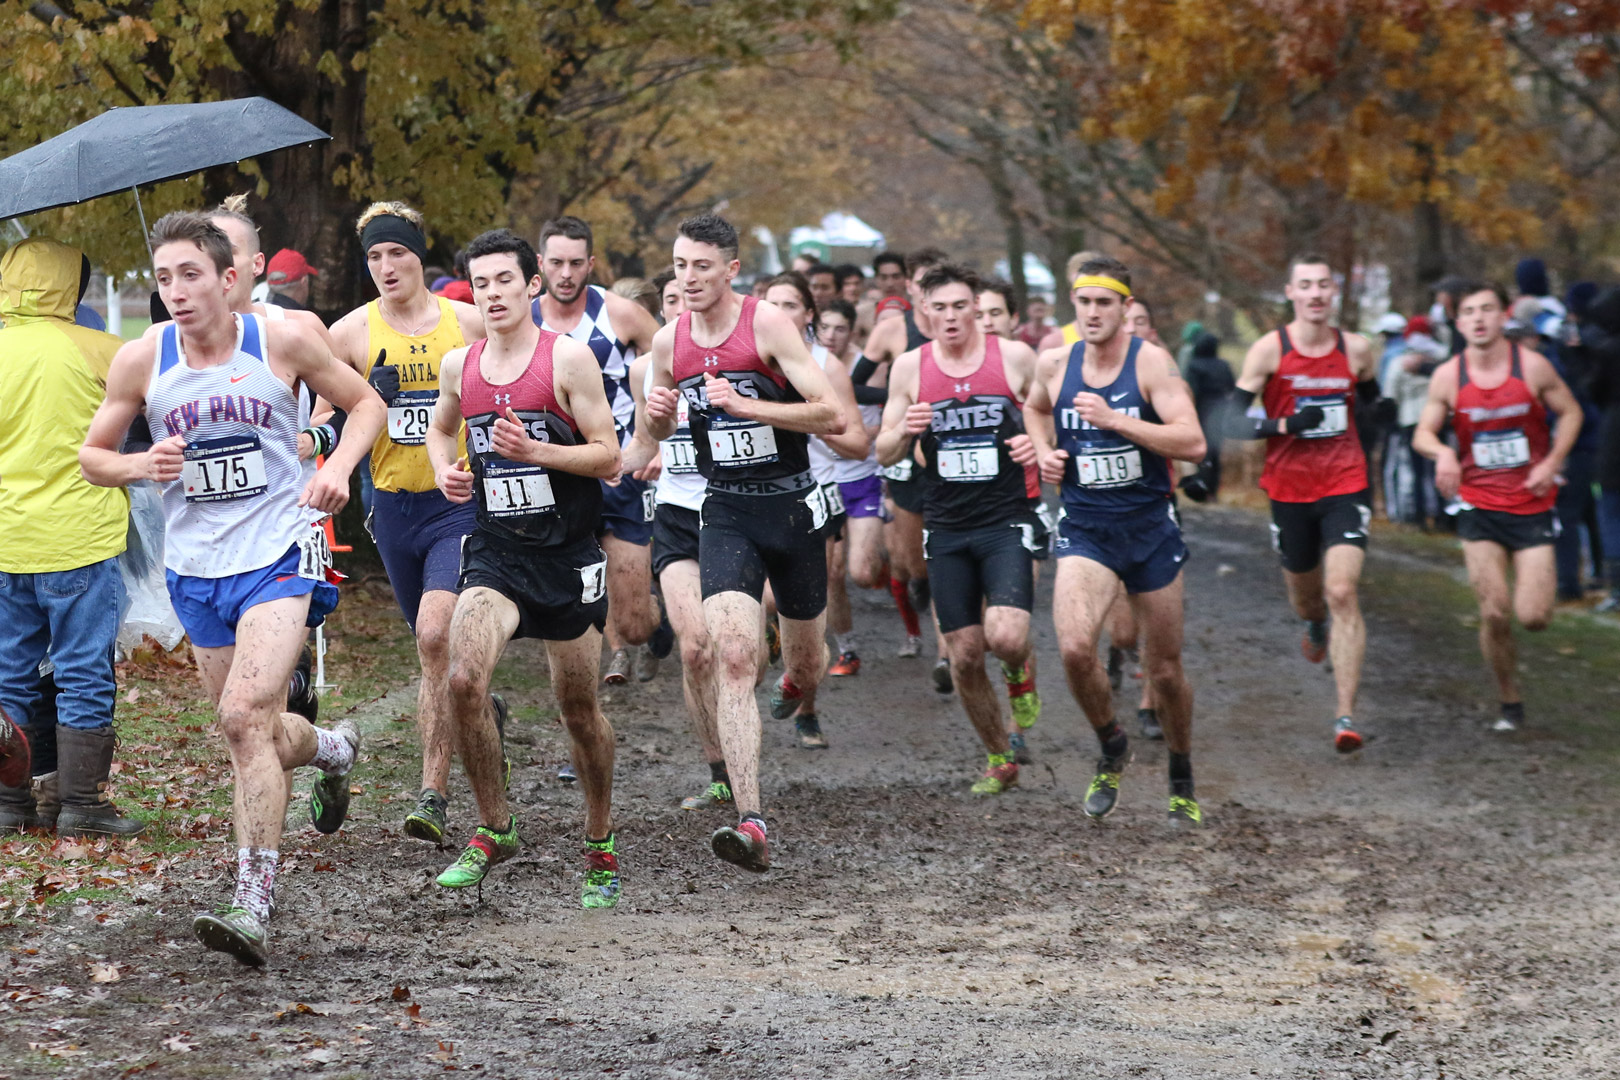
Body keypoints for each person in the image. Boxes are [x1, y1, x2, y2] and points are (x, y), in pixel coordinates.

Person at [80, 211, 385, 965]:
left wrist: (336, 469)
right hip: (195, 570)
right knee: (252, 730)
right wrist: (137, 468)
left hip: (280, 553)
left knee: (244, 714)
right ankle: (335, 751)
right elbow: (93, 456)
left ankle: (252, 898)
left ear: (228, 277)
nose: (176, 291)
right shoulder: (143, 358)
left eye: (190, 275)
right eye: (163, 278)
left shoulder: (280, 339)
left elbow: (366, 405)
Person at [642, 213, 846, 872]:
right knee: (733, 655)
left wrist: (751, 406)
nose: (689, 278)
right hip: (725, 508)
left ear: (731, 270)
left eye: (703, 265)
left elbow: (831, 414)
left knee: (806, 665)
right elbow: (649, 443)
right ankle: (750, 818)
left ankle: (799, 678)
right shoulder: (668, 343)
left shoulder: (766, 325)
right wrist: (656, 423)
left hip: (790, 509)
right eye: (680, 266)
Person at [425, 228, 624, 902]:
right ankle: (494, 828)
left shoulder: (567, 360)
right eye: (480, 284)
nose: (493, 294)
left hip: (566, 557)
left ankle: (599, 842)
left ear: (532, 283)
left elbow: (609, 456)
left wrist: (539, 453)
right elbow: (438, 425)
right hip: (498, 552)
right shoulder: (462, 365)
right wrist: (445, 472)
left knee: (578, 708)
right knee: (461, 679)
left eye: (504, 280)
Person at [326, 201, 487, 843]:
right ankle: (478, 713)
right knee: (437, 655)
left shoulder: (468, 323)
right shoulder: (349, 335)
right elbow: (320, 420)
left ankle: (432, 795)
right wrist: (361, 407)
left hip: (460, 503)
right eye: (374, 256)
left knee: (432, 637)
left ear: (421, 254)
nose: (386, 266)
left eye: (397, 252)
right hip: (392, 509)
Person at [1025, 256, 1207, 826]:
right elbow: (1032, 409)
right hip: (1086, 528)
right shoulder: (1055, 363)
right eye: (1084, 302)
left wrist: (1117, 421)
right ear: (1073, 306)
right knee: (1077, 649)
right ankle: (1111, 744)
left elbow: (1193, 442)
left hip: (1150, 529)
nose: (1094, 312)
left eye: (1106, 302)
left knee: (1167, 671)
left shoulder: (1151, 364)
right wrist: (1047, 450)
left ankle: (1181, 773)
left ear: (1126, 308)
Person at [875, 263, 1043, 796]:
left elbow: (1048, 418)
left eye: (959, 306)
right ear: (923, 312)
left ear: (977, 309)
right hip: (945, 525)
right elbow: (881, 450)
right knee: (965, 654)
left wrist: (1034, 444)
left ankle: (1019, 673)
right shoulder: (909, 368)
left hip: (1005, 518)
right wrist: (905, 429)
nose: (949, 317)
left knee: (1007, 635)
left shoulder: (1013, 358)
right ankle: (999, 756)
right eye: (938, 307)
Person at [0, 238, 138, 836]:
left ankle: (8, 806)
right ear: (72, 287)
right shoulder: (103, 350)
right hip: (80, 538)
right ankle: (82, 805)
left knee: (8, 672)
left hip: (7, 540)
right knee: (83, 669)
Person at [1232, 255, 1386, 753]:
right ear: (1291, 293)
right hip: (1288, 487)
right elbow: (1230, 424)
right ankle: (1313, 623)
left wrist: (1383, 414)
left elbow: (1371, 407)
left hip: (1345, 481)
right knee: (1308, 596)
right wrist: (1284, 427)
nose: (1316, 293)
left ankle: (1345, 715)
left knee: (1342, 589)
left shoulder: (1357, 349)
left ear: (1334, 293)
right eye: (1306, 285)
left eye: (1324, 284)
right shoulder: (1269, 350)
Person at [1412, 281, 1581, 731]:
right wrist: (1444, 453)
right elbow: (1422, 433)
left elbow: (1572, 412)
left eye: (1488, 309)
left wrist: (1552, 461)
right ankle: (1509, 698)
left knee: (1534, 616)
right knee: (1494, 610)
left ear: (1504, 316)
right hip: (1478, 504)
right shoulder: (1449, 374)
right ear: (1459, 321)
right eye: (1469, 311)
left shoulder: (1533, 367)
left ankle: (1513, 675)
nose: (1479, 318)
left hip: (1531, 501)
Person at [531, 217, 670, 685]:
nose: (566, 273)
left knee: (634, 622)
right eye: (556, 263)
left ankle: (657, 617)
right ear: (540, 264)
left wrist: (653, 442)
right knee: (572, 600)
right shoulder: (525, 318)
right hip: (558, 476)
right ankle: (583, 696)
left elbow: (669, 363)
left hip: (622, 471)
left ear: (590, 263)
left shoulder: (621, 314)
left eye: (575, 263)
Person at [620, 280, 732, 811]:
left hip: (737, 515)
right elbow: (639, 441)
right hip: (677, 517)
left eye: (691, 295)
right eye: (670, 301)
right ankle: (719, 770)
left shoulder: (740, 364)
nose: (682, 307)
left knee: (738, 650)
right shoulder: (644, 372)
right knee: (696, 647)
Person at [763, 276, 868, 747]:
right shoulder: (744, 359)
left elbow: (857, 443)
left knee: (806, 603)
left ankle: (805, 705)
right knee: (766, 601)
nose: (780, 312)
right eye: (772, 304)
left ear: (810, 314)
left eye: (791, 304)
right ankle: (777, 654)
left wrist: (815, 419)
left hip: (814, 492)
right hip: (756, 494)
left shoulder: (827, 366)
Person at [862, 248, 950, 684]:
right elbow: (857, 385)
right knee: (914, 562)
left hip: (950, 454)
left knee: (942, 553)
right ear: (912, 287)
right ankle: (919, 585)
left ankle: (946, 654)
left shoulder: (962, 331)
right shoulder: (893, 330)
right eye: (924, 282)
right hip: (904, 449)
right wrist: (903, 400)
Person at [817, 298, 889, 674]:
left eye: (840, 329)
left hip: (862, 475)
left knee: (862, 573)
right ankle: (847, 649)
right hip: (825, 481)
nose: (831, 336)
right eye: (825, 327)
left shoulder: (870, 370)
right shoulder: (805, 363)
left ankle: (885, 555)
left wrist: (870, 431)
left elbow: (892, 411)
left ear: (852, 332)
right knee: (832, 572)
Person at [1181, 331, 1236, 502]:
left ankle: (1202, 489)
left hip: (1202, 412)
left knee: (1202, 452)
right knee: (1215, 454)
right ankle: (1212, 491)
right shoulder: (1223, 365)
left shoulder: (1194, 365)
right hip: (1220, 412)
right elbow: (1232, 386)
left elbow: (1192, 391)